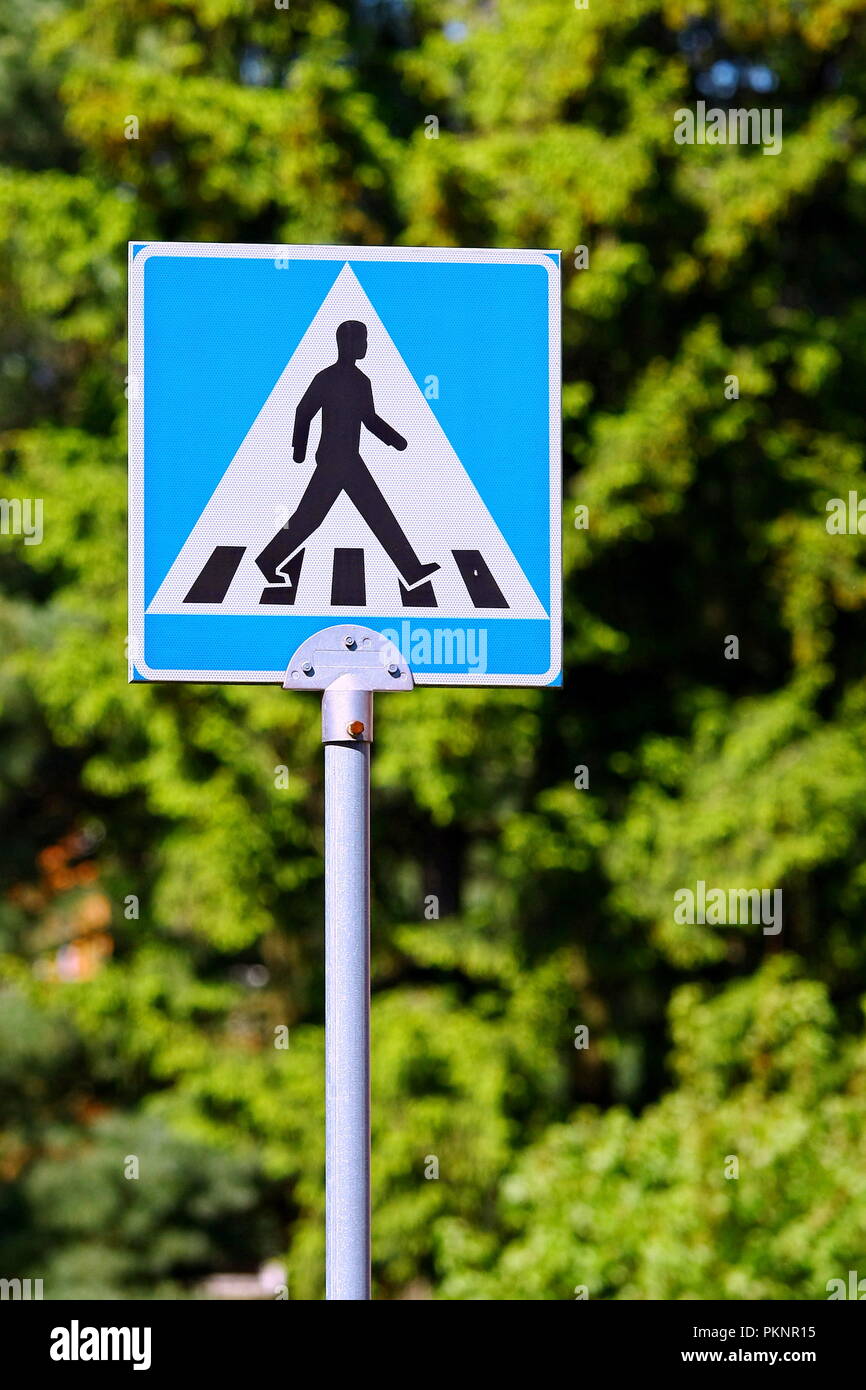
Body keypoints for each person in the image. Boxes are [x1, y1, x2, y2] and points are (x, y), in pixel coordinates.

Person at [256, 320, 441, 589]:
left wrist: (394, 439)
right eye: (362, 341)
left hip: (348, 459)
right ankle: (268, 560)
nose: (365, 346)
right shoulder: (326, 377)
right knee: (313, 518)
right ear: (347, 344)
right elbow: (303, 411)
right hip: (333, 459)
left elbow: (369, 419)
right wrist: (299, 450)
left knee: (371, 513)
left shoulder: (361, 381)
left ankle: (411, 570)